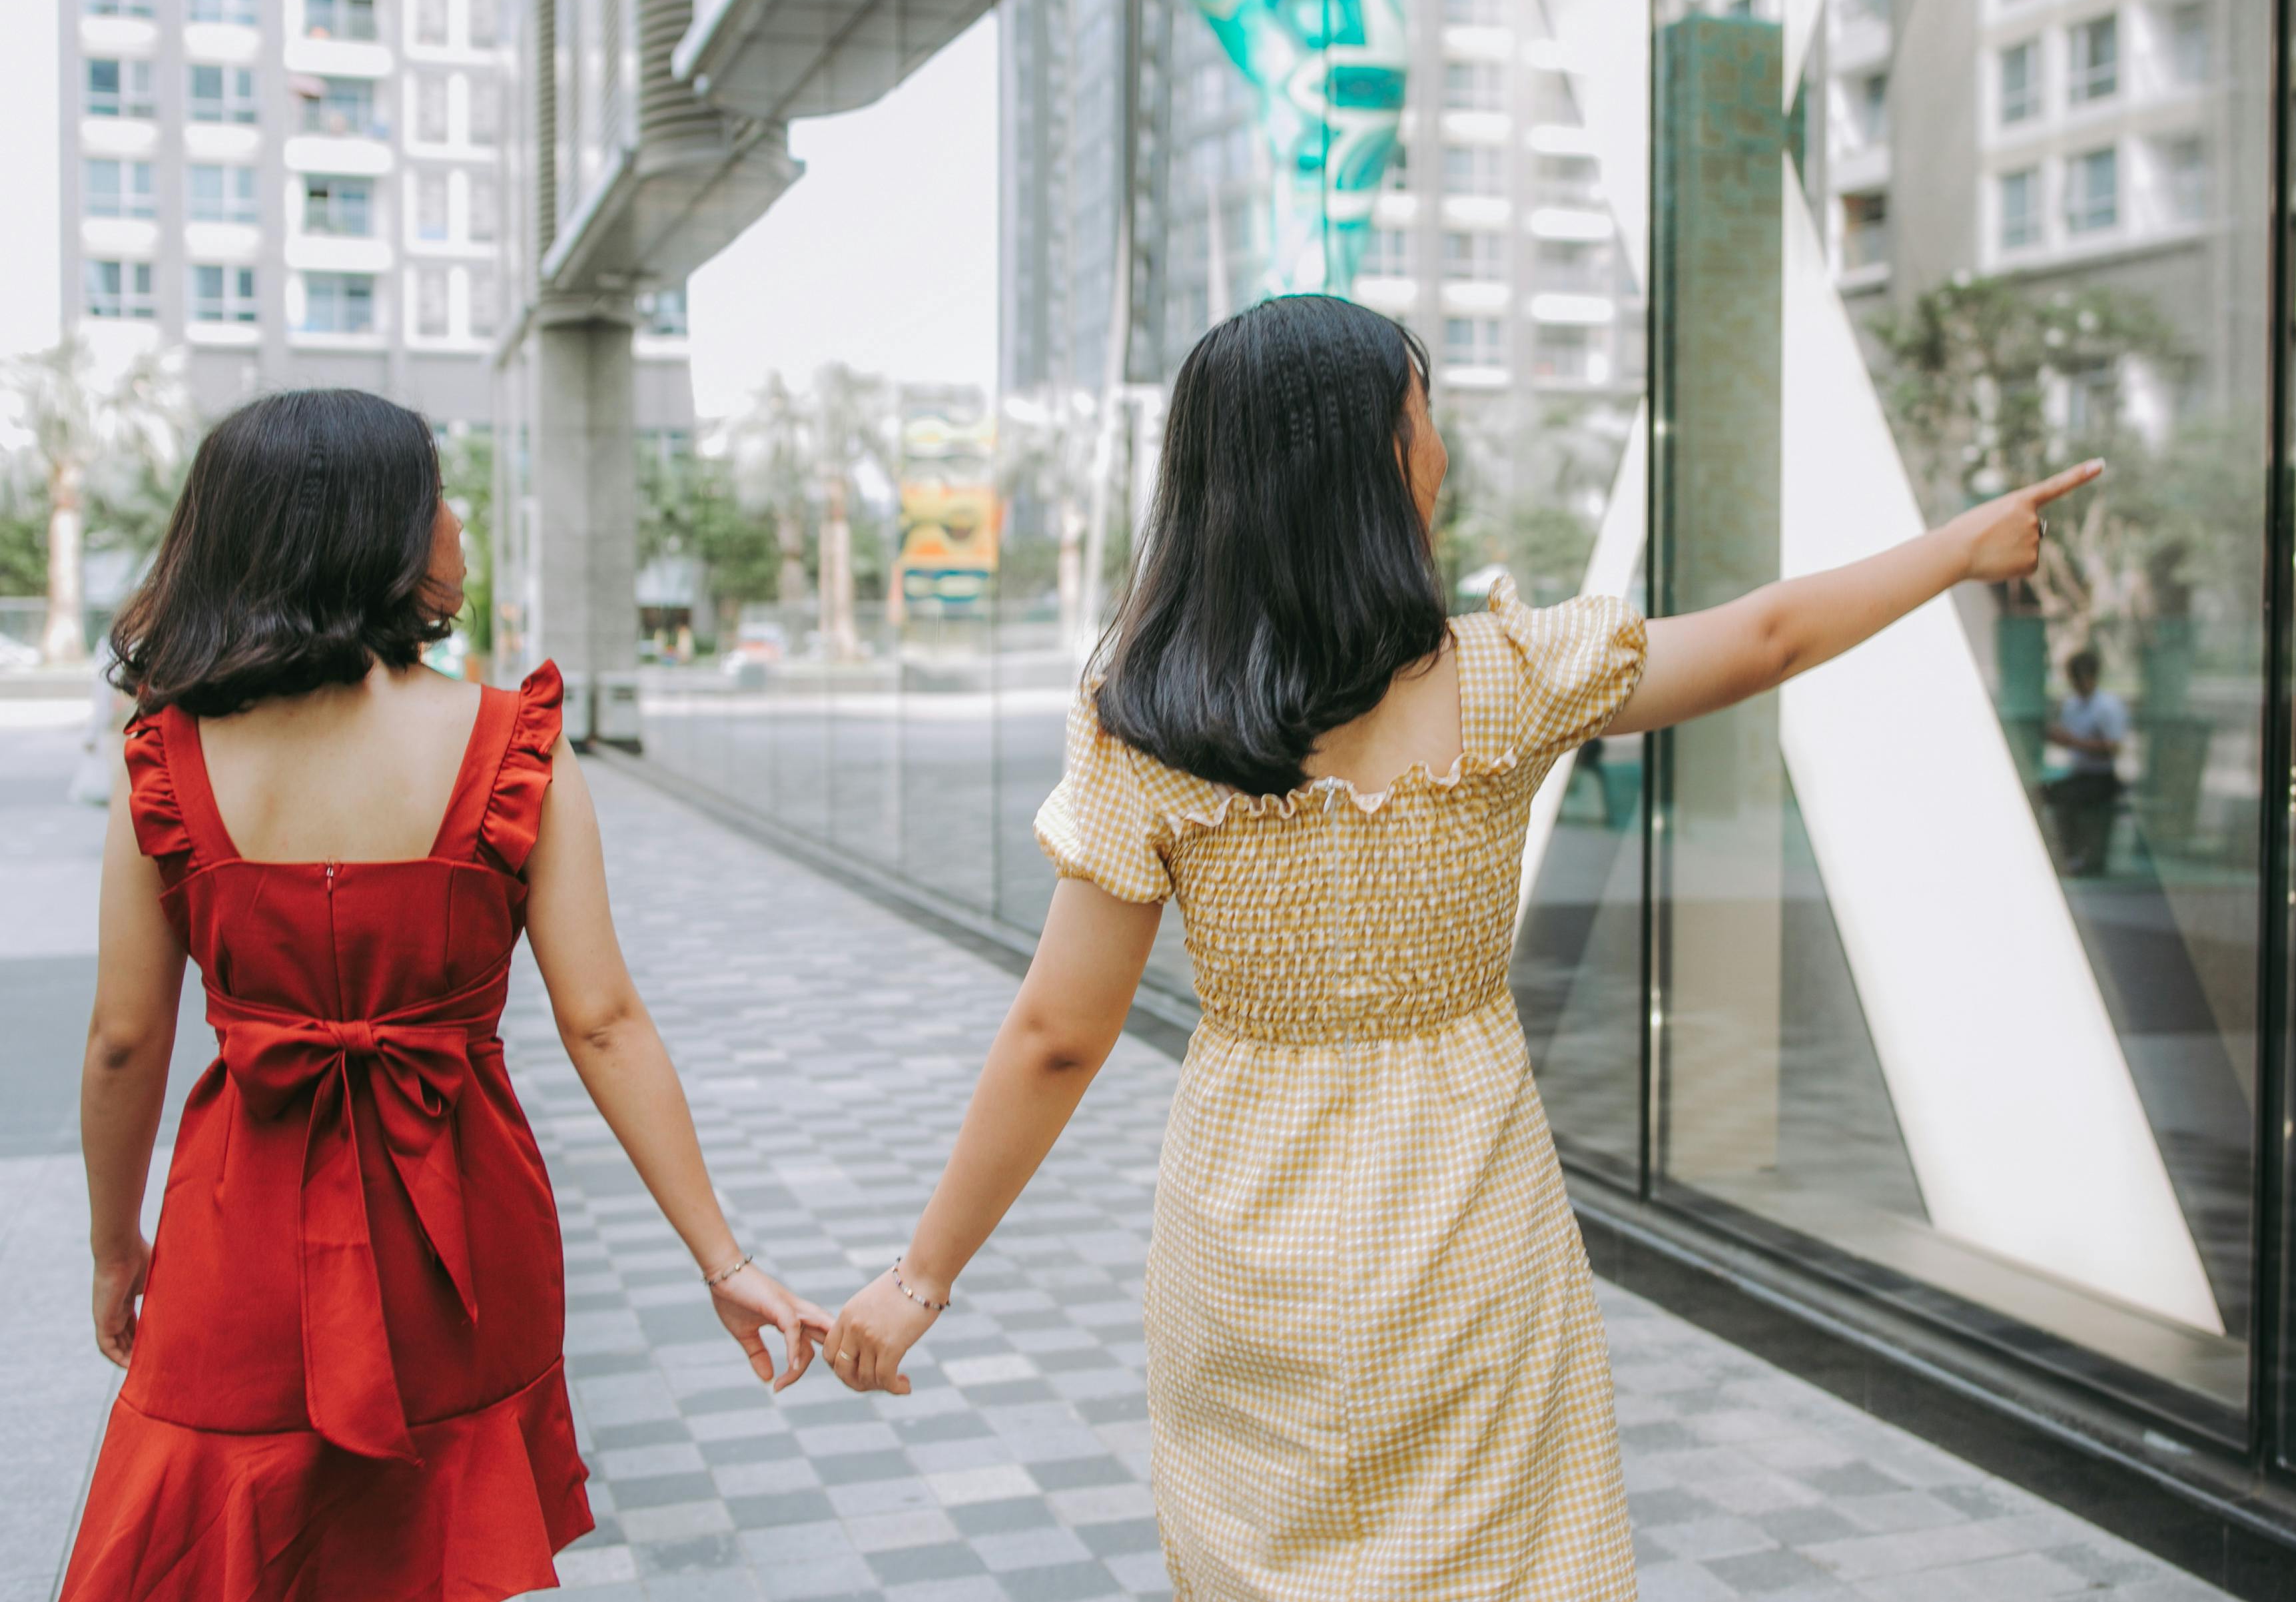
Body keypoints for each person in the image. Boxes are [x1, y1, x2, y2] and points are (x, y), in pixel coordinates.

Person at [815, 296, 2098, 1599]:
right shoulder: (1509, 678)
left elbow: (1058, 1036)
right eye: (1423, 414)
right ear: (1380, 461)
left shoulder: (1148, 725)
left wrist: (919, 1280)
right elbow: (1767, 637)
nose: (1442, 444)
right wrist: (1960, 547)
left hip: (1248, 1236)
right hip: (1470, 1224)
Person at [63, 390, 831, 1602]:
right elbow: (602, 1021)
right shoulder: (510, 741)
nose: (457, 514)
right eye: (436, 492)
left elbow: (124, 1040)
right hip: (460, 1232)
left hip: (236, 1233)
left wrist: (118, 1246)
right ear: (371, 529)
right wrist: (720, 1256)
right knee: (435, 1550)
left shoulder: (164, 751)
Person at [2044, 645, 2129, 875]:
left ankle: (2078, 856)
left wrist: (2074, 743)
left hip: (2101, 776)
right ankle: (2065, 853)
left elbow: (2113, 749)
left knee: (2069, 799)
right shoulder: (2072, 705)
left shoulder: (2107, 707)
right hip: (2078, 772)